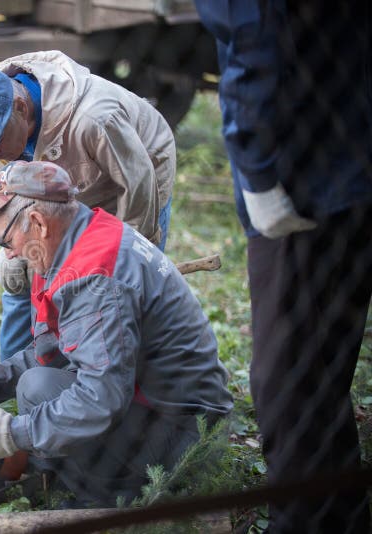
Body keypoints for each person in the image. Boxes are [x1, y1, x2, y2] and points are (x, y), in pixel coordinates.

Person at [0, 160, 232, 506]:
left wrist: (15, 433)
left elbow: (101, 397)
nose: (9, 254)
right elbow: (56, 345)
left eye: (6, 241)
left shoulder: (93, 278)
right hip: (161, 407)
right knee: (35, 383)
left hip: (186, 433)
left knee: (39, 389)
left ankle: (96, 499)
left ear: (37, 223)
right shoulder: (80, 236)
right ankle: (58, 475)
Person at [193, 1, 372, 532]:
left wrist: (260, 172)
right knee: (321, 372)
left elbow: (250, 36)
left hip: (305, 181)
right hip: (349, 150)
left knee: (287, 384)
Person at [0, 50, 177, 361]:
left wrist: (127, 261)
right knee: (16, 270)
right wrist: (21, 244)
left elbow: (138, 188)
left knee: (119, 283)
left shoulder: (94, 118)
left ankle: (127, 375)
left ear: (20, 107)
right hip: (53, 183)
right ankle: (11, 373)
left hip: (125, 174)